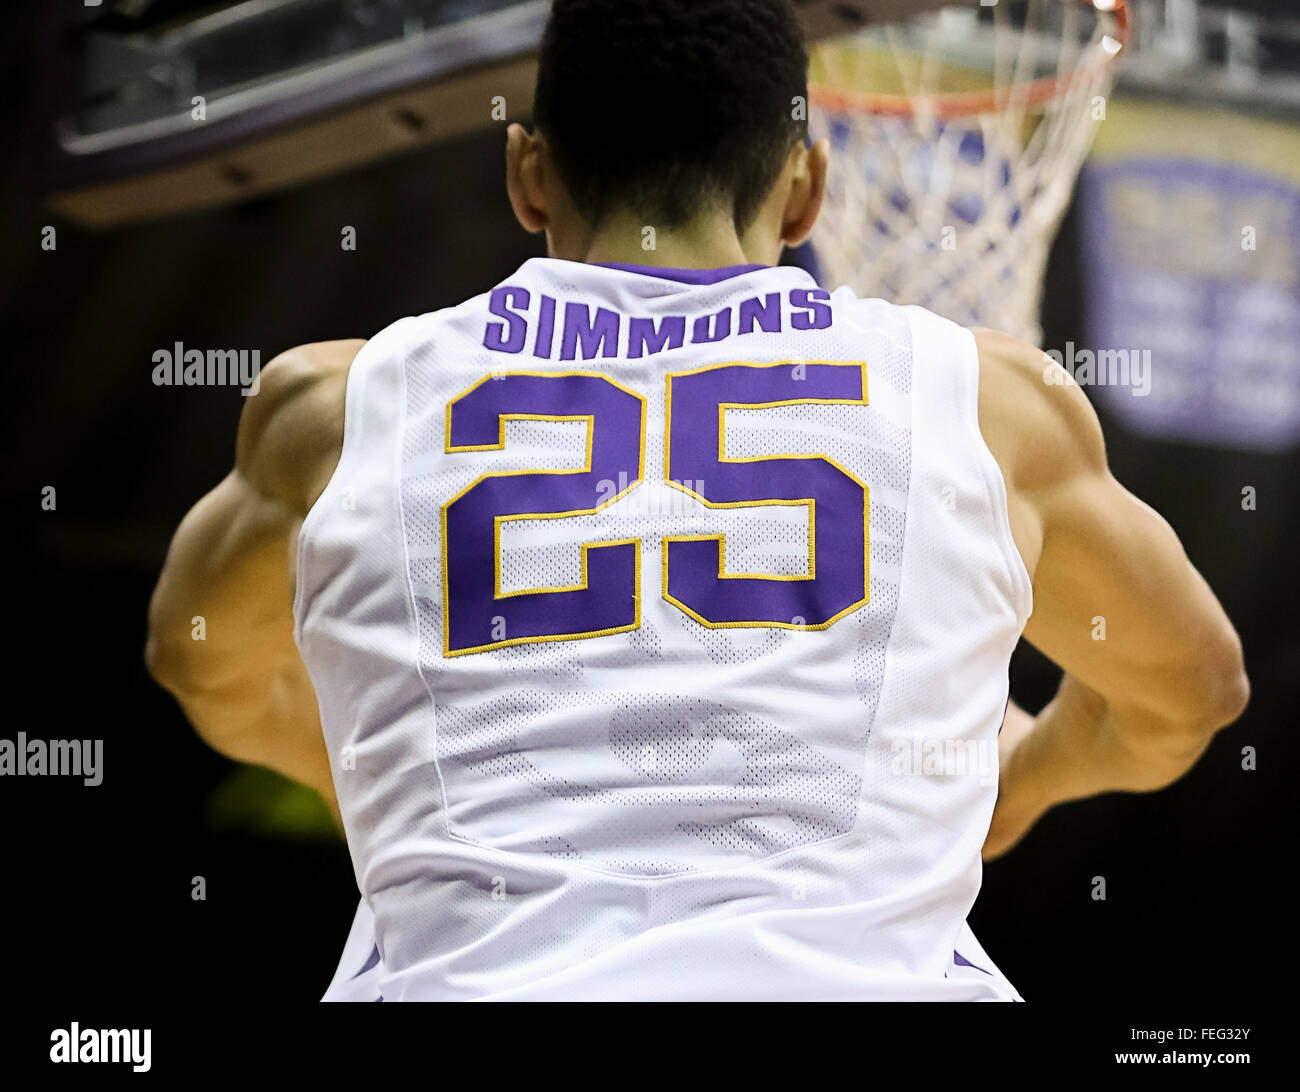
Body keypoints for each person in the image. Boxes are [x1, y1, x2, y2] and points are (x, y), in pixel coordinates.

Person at [146, 0, 1248, 1001]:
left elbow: (197, 662)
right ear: (808, 189)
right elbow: (1193, 691)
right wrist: (1026, 779)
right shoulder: (990, 405)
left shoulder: (329, 409)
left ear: (527, 175)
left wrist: (377, 789)